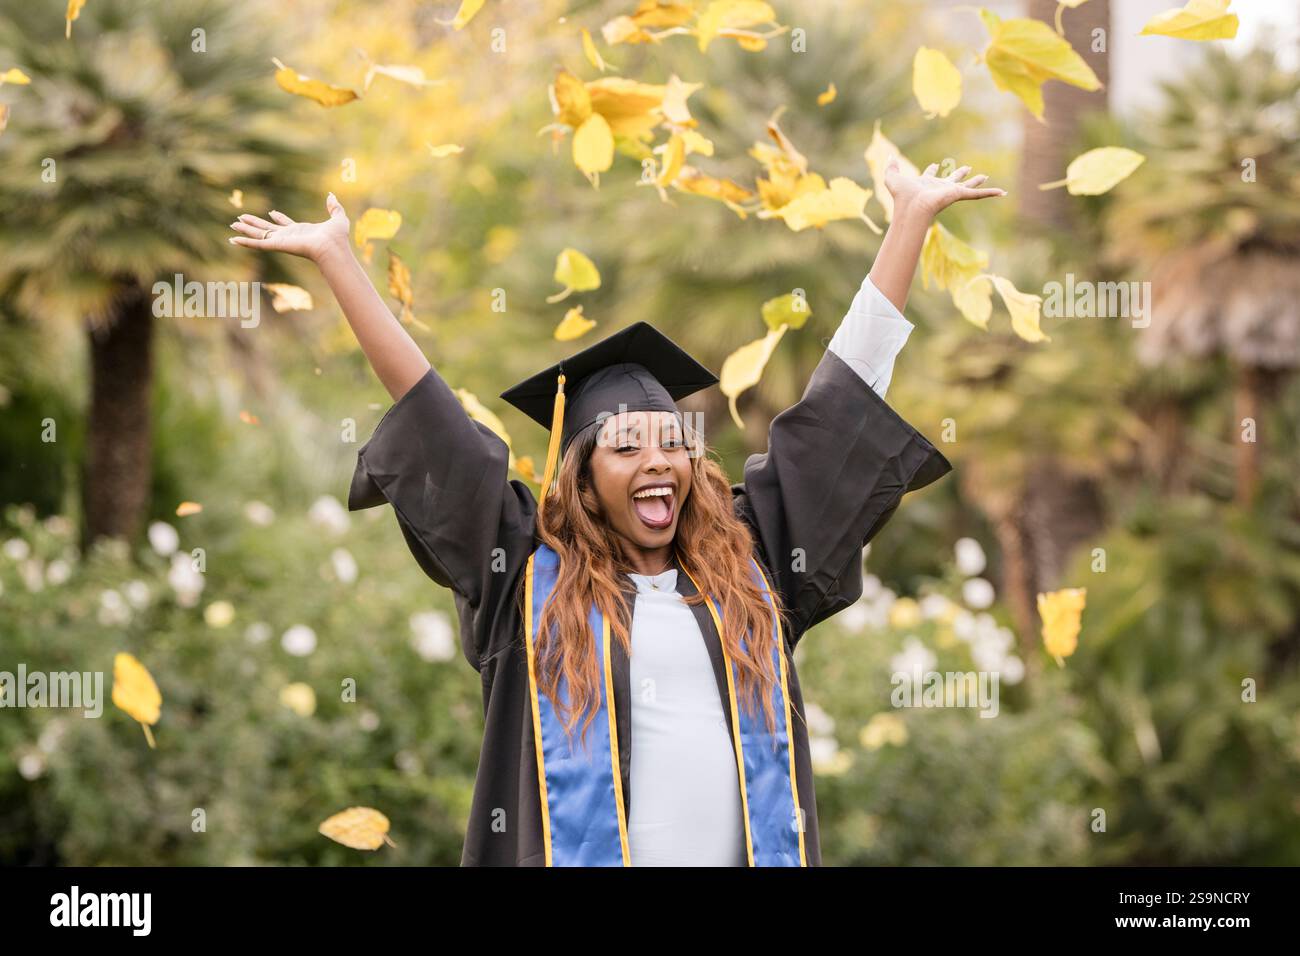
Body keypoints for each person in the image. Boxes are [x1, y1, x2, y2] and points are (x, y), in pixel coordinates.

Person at [229, 159, 1006, 866]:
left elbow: (836, 416)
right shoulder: (525, 585)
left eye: (673, 443)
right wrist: (338, 260)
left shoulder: (752, 569)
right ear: (584, 478)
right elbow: (435, 422)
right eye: (627, 448)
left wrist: (908, 221)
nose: (658, 461)